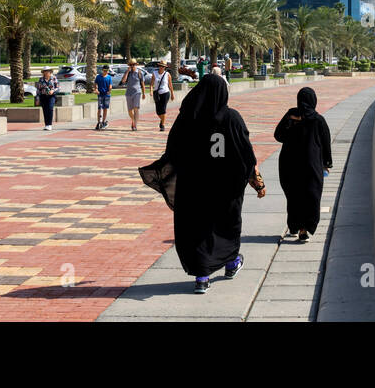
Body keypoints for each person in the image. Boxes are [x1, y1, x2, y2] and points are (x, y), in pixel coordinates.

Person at [139, 74, 265, 294]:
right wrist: (252, 178)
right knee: (226, 225)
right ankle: (231, 263)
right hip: (225, 187)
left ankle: (202, 276)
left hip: (194, 186)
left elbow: (174, 151)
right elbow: (245, 152)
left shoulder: (187, 118)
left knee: (197, 229)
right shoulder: (231, 118)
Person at [273, 87, 333, 242]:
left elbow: (278, 135)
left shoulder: (291, 115)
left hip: (289, 163)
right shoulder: (318, 119)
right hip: (311, 164)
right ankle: (303, 229)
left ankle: (294, 226)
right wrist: (327, 163)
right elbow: (326, 143)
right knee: (311, 196)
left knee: (294, 196)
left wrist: (290, 123)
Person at [119, 59, 146, 132]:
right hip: (128, 93)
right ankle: (133, 120)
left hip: (137, 92)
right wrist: (127, 71)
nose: (132, 66)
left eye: (133, 65)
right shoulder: (128, 73)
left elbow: (143, 84)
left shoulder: (139, 73)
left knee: (136, 109)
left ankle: (135, 125)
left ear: (136, 65)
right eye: (131, 65)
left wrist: (144, 93)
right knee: (129, 110)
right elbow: (123, 81)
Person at [153, 63, 175, 132]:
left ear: (165, 67)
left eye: (163, 66)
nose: (161, 67)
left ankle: (162, 125)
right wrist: (151, 90)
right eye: (160, 66)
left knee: (163, 109)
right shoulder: (154, 73)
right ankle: (162, 119)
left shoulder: (167, 74)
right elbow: (151, 84)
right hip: (157, 94)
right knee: (158, 111)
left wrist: (172, 94)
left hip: (165, 93)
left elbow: (170, 85)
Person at [94, 64, 114, 130]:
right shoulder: (98, 77)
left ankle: (103, 121)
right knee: (99, 108)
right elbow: (96, 84)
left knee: (105, 108)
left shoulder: (109, 77)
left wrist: (109, 90)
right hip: (100, 94)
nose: (105, 72)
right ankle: (98, 122)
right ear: (102, 70)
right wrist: (96, 89)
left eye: (107, 70)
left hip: (106, 94)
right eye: (104, 70)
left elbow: (110, 85)